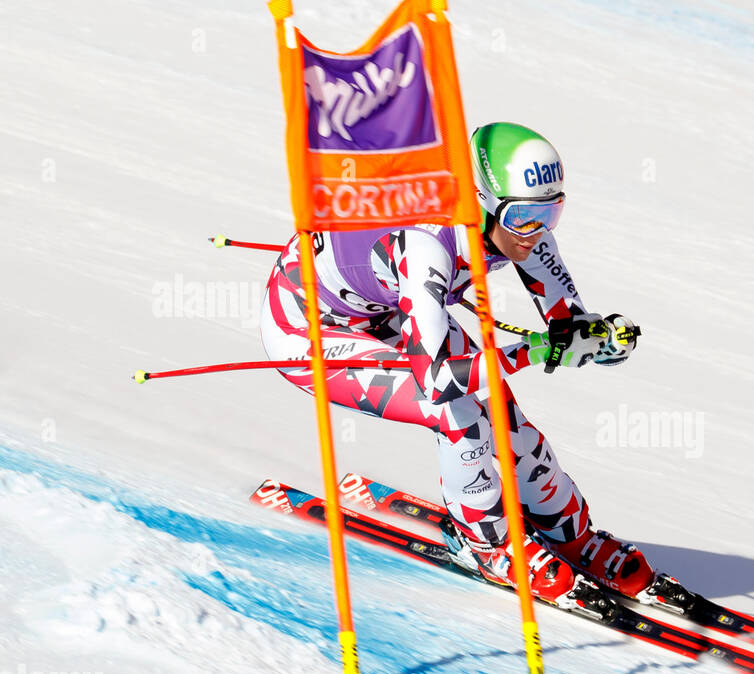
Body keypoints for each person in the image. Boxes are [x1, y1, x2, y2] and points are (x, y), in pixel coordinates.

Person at [259, 121, 663, 609]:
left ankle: (572, 535)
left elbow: (568, 323)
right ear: (484, 202)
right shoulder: (426, 246)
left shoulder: (522, 233)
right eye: (526, 216)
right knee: (458, 415)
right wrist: (533, 352)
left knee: (508, 422)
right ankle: (487, 547)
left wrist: (600, 339)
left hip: (388, 310)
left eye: (552, 212)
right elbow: (437, 381)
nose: (538, 232)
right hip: (312, 329)